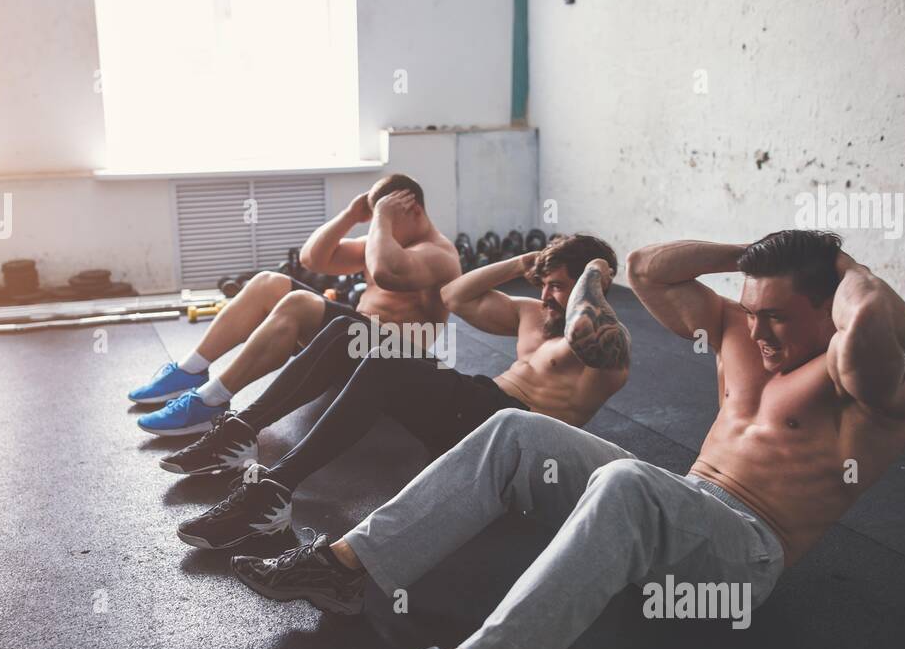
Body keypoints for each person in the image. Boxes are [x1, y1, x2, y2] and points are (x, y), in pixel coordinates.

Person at [232, 230, 905, 649]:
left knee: (627, 483)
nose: (760, 332)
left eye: (777, 318)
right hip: (681, 501)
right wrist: (750, 257)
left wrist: (844, 266)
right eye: (753, 311)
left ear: (827, 304)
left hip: (745, 555)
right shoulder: (740, 332)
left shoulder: (861, 382)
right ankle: (347, 568)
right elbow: (650, 266)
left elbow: (872, 330)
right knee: (515, 431)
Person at [172, 235, 630, 551]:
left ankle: (271, 494)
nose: (548, 294)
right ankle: (241, 432)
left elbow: (587, 328)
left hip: (512, 434)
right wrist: (518, 263)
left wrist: (592, 270)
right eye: (545, 284)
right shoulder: (533, 314)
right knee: (347, 329)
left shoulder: (604, 343)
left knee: (384, 366)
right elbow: (455, 296)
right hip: (472, 403)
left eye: (560, 286)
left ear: (593, 289)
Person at [128, 174, 460, 436]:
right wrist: (349, 216)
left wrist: (382, 220)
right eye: (373, 221)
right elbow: (313, 259)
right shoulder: (384, 241)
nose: (375, 228)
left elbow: (388, 272)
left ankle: (209, 402)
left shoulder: (437, 254)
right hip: (347, 348)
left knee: (298, 303)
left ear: (414, 210)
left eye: (381, 220)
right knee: (267, 282)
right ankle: (190, 371)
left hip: (390, 363)